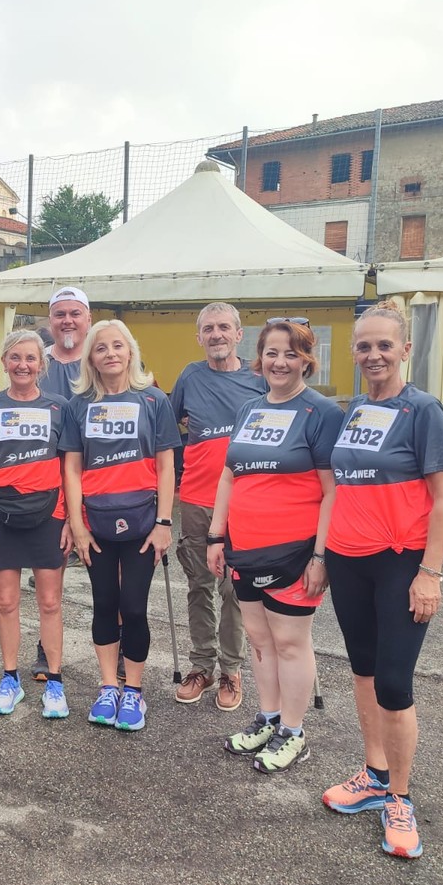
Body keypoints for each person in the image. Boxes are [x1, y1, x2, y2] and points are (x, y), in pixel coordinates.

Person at [321, 301, 443, 860]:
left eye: (384, 345)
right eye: (363, 346)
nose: (373, 355)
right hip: (348, 558)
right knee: (363, 670)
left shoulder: (424, 410)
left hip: (401, 562)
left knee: (394, 684)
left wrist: (430, 572)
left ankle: (399, 798)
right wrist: (324, 555)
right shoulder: (353, 409)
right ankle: (374, 775)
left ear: (404, 349)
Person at [206, 320, 344, 773]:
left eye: (291, 354)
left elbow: (332, 492)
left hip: (295, 552)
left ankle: (294, 731)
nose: (280, 362)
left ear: (307, 359)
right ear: (258, 358)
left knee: (289, 642)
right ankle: (267, 718)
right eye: (271, 353)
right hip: (245, 549)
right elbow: (229, 476)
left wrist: (321, 556)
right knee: (260, 640)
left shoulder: (321, 412)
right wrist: (216, 535)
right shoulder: (251, 409)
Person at [61, 320, 180, 732]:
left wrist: (165, 522)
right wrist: (77, 524)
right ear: (90, 358)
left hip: (144, 523)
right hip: (96, 524)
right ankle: (108, 686)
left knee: (133, 607)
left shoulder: (153, 400)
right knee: (104, 604)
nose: (110, 353)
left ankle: (134, 691)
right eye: (101, 348)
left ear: (130, 351)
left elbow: (167, 466)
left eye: (118, 346)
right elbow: (72, 469)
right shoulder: (78, 405)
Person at [0, 330, 70, 718]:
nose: (23, 365)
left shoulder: (60, 406)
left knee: (50, 602)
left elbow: (69, 467)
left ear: (41, 365)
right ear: (4, 362)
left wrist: (71, 521)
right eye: (15, 358)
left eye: (30, 358)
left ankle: (55, 683)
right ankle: (10, 679)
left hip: (49, 515)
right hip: (0, 515)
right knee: (7, 602)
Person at [170, 302, 265, 711]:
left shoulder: (259, 380)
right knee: (199, 586)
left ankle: (231, 668)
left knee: (234, 590)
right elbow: (166, 430)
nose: (216, 334)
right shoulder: (190, 376)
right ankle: (201, 666)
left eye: (224, 327)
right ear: (199, 337)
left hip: (245, 503)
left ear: (239, 334)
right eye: (208, 328)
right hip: (196, 500)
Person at [30, 285, 94, 677]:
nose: (67, 320)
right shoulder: (39, 363)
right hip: (49, 488)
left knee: (109, 573)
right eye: (60, 314)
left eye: (75, 313)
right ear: (50, 321)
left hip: (100, 484)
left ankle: (117, 649)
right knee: (51, 580)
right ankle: (45, 648)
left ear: (88, 319)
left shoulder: (103, 358)